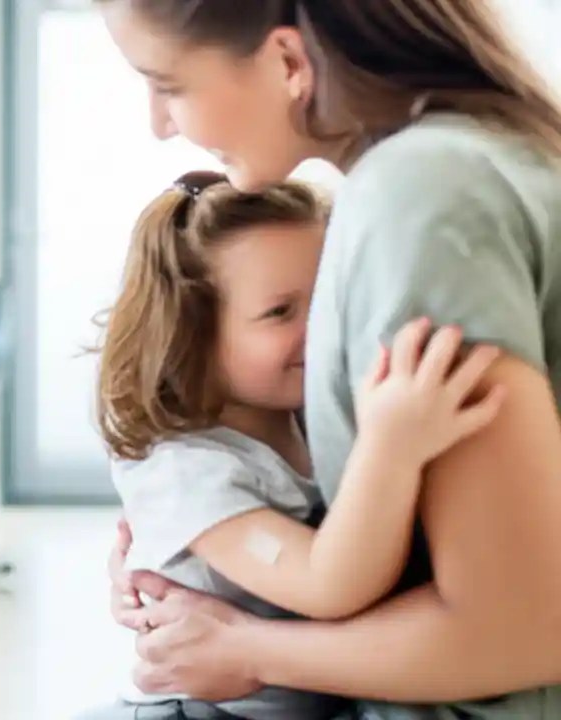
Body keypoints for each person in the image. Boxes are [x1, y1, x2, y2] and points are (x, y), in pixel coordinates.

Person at [96, 1, 561, 717]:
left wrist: (240, 645)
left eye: (170, 84)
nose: (162, 123)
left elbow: (517, 626)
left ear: (288, 62)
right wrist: (193, 566)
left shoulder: (422, 191)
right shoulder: (482, 159)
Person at [80, 173, 503, 720]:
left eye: (325, 299)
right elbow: (329, 585)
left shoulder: (306, 413)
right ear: (193, 336)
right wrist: (394, 450)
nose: (320, 329)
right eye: (280, 313)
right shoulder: (189, 472)